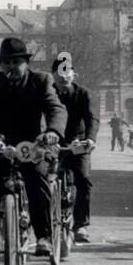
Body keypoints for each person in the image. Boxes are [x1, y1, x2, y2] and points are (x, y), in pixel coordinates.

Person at [0, 38, 66, 256]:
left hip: (33, 143)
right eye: (6, 63)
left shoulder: (41, 81)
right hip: (0, 142)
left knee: (36, 181)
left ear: (26, 63)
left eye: (16, 62)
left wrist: (52, 132)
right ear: (1, 65)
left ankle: (43, 236)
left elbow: (55, 109)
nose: (11, 67)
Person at [51, 55, 99, 243]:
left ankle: (81, 225)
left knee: (83, 179)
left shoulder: (83, 94)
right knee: (41, 178)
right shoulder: (48, 93)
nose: (64, 77)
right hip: (53, 141)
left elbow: (91, 118)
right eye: (59, 73)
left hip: (77, 142)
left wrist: (90, 139)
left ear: (73, 74)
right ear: (53, 75)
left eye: (67, 72)